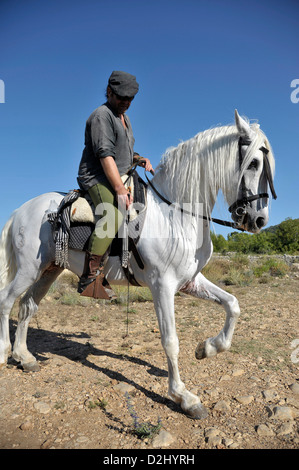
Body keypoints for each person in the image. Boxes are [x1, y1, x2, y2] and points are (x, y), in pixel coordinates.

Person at [77, 71, 153, 299]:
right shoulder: (102, 115)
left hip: (119, 173)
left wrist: (139, 159)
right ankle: (90, 277)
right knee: (112, 213)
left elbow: (123, 152)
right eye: (122, 98)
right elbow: (105, 155)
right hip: (96, 176)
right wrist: (119, 189)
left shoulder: (124, 118)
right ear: (109, 92)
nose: (126, 103)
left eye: (130, 99)